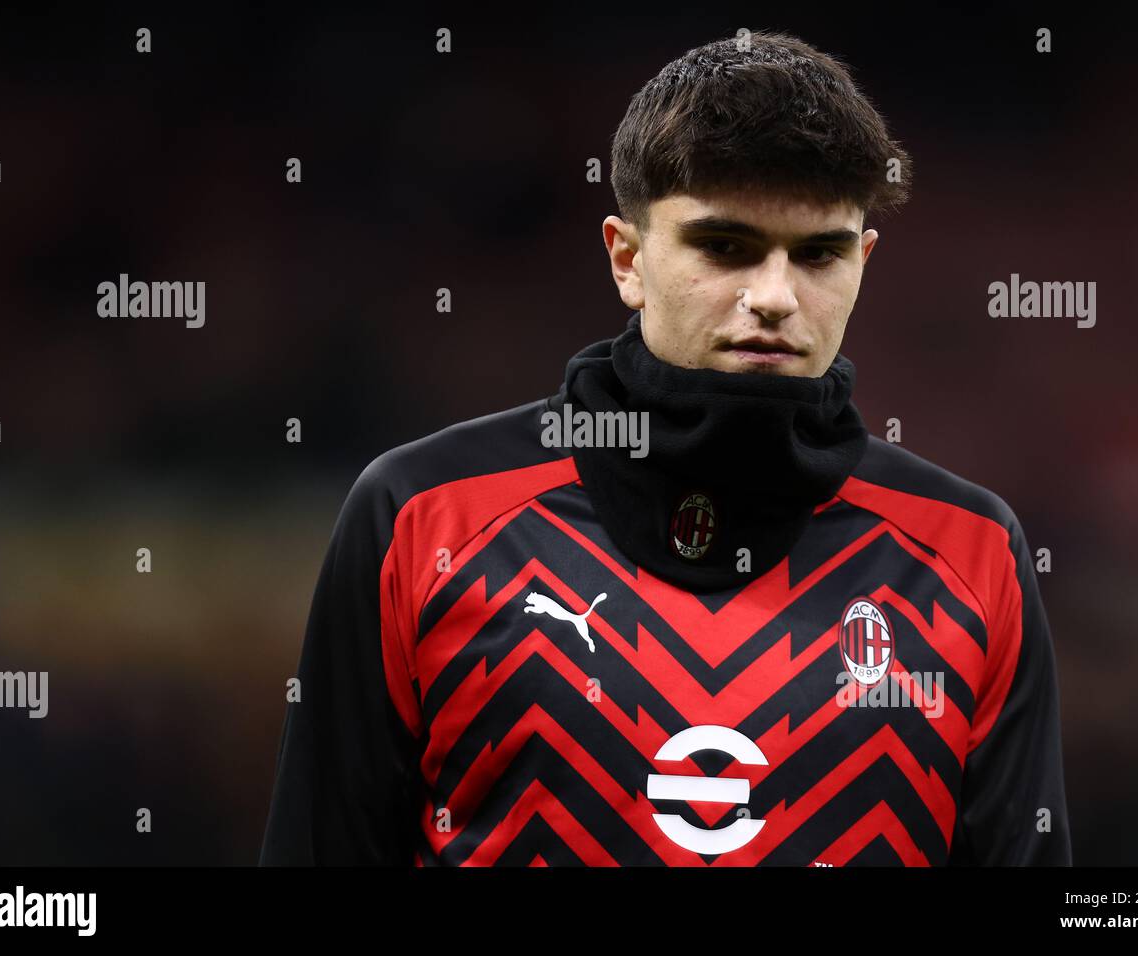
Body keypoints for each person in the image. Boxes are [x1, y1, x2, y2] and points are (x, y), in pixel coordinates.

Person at [259, 30, 1071, 866]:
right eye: (725, 247)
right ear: (627, 258)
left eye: (820, 253)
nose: (774, 297)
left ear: (863, 261)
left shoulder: (972, 552)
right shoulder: (421, 517)